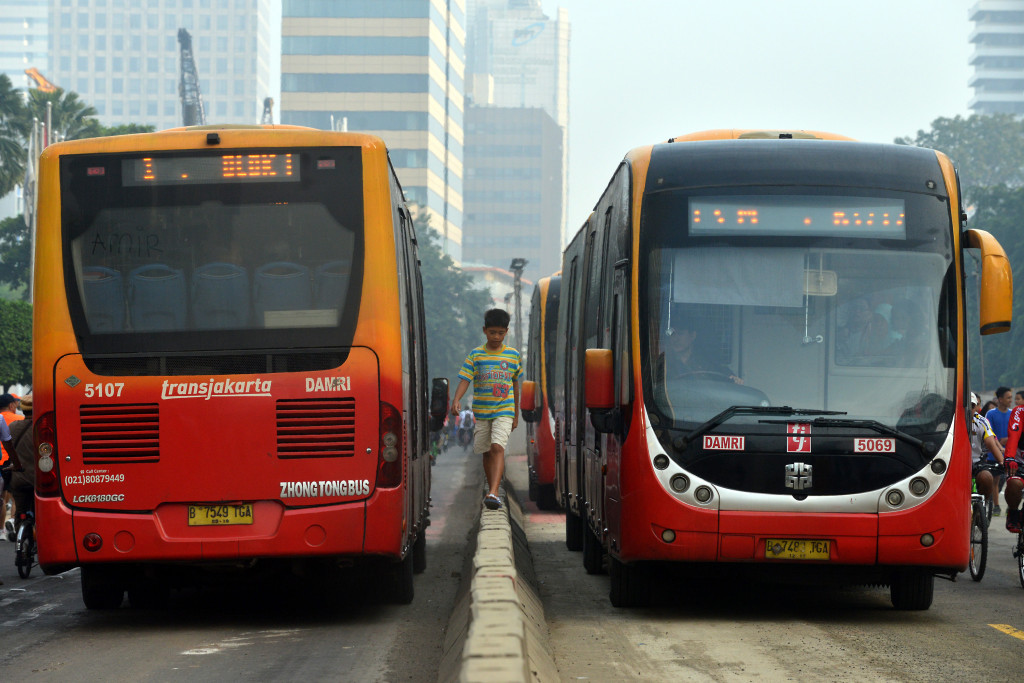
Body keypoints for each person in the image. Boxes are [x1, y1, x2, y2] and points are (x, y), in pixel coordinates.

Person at [450, 308, 521, 510]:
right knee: (486, 451)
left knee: (497, 447)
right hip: (481, 412)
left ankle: (494, 491)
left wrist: (515, 414)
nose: (496, 337)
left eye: (500, 333)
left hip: (504, 410)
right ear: (485, 331)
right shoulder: (476, 355)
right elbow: (465, 379)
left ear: (506, 332)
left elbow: (515, 386)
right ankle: (492, 489)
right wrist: (456, 399)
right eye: (492, 333)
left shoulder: (513, 356)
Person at [659, 315, 742, 384]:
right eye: (672, 334)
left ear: (693, 336)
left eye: (680, 334)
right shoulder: (663, 362)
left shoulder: (707, 362)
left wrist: (734, 380)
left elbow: (725, 375)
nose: (675, 339)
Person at [971, 393, 1004, 519]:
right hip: (955, 464)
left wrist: (1002, 462)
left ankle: (980, 510)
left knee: (987, 478)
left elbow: (991, 443)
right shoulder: (951, 420)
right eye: (966, 405)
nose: (969, 408)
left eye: (972, 405)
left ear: (977, 407)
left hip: (976, 462)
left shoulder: (982, 421)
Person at [7, 395, 33, 546]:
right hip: (38, 480)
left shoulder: (13, 426)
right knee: (40, 513)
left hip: (18, 478)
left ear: (22, 409)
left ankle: (20, 543)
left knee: (20, 511)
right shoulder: (42, 426)